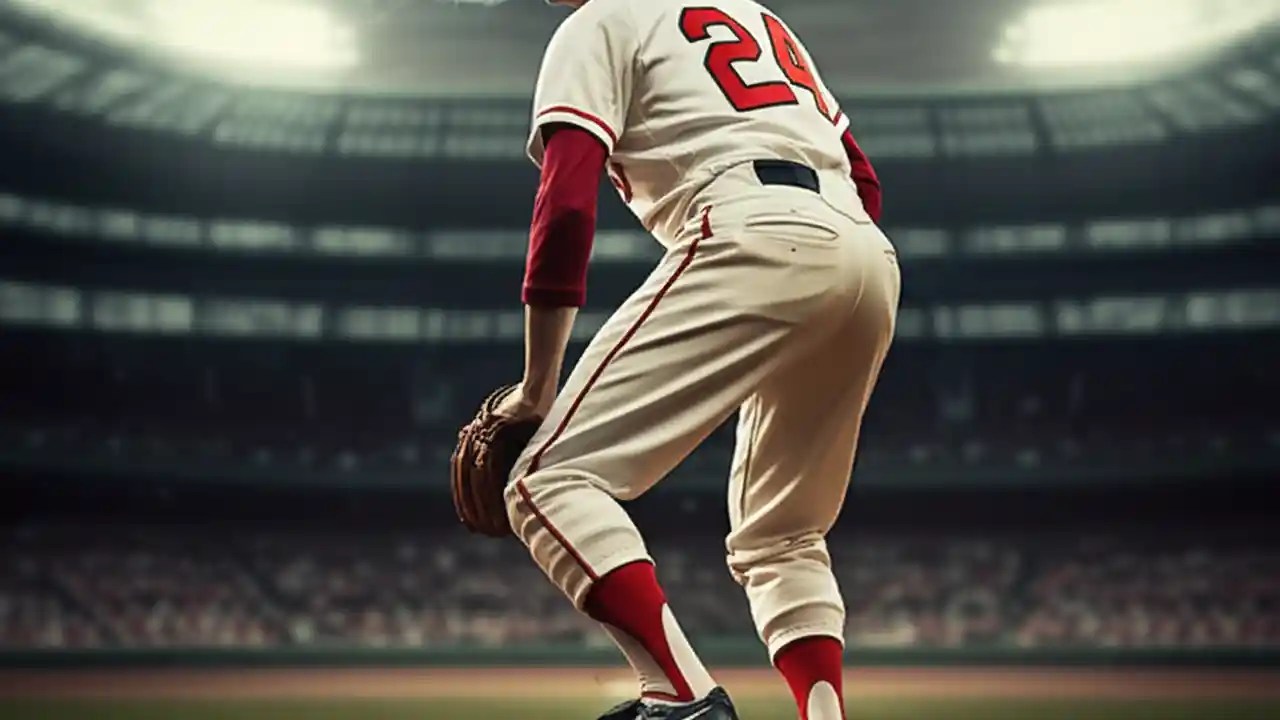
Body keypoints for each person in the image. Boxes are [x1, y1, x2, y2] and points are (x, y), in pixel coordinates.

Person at [495, 1, 899, 718]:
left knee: (549, 479)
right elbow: (863, 180)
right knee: (784, 535)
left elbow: (565, 205)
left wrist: (537, 387)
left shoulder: (597, 24)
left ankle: (680, 697)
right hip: (866, 254)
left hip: (750, 226)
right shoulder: (759, 17)